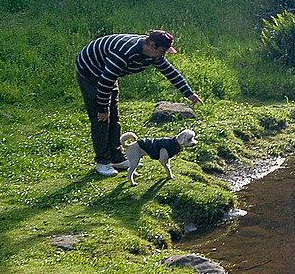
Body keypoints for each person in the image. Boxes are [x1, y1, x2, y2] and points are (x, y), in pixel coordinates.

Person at [75, 30, 203, 176]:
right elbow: (105, 82)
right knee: (101, 118)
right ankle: (102, 162)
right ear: (152, 45)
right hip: (90, 71)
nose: (163, 55)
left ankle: (117, 158)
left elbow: (170, 72)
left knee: (114, 117)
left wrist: (189, 93)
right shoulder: (124, 53)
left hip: (108, 73)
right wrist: (103, 108)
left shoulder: (153, 55)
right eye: (162, 51)